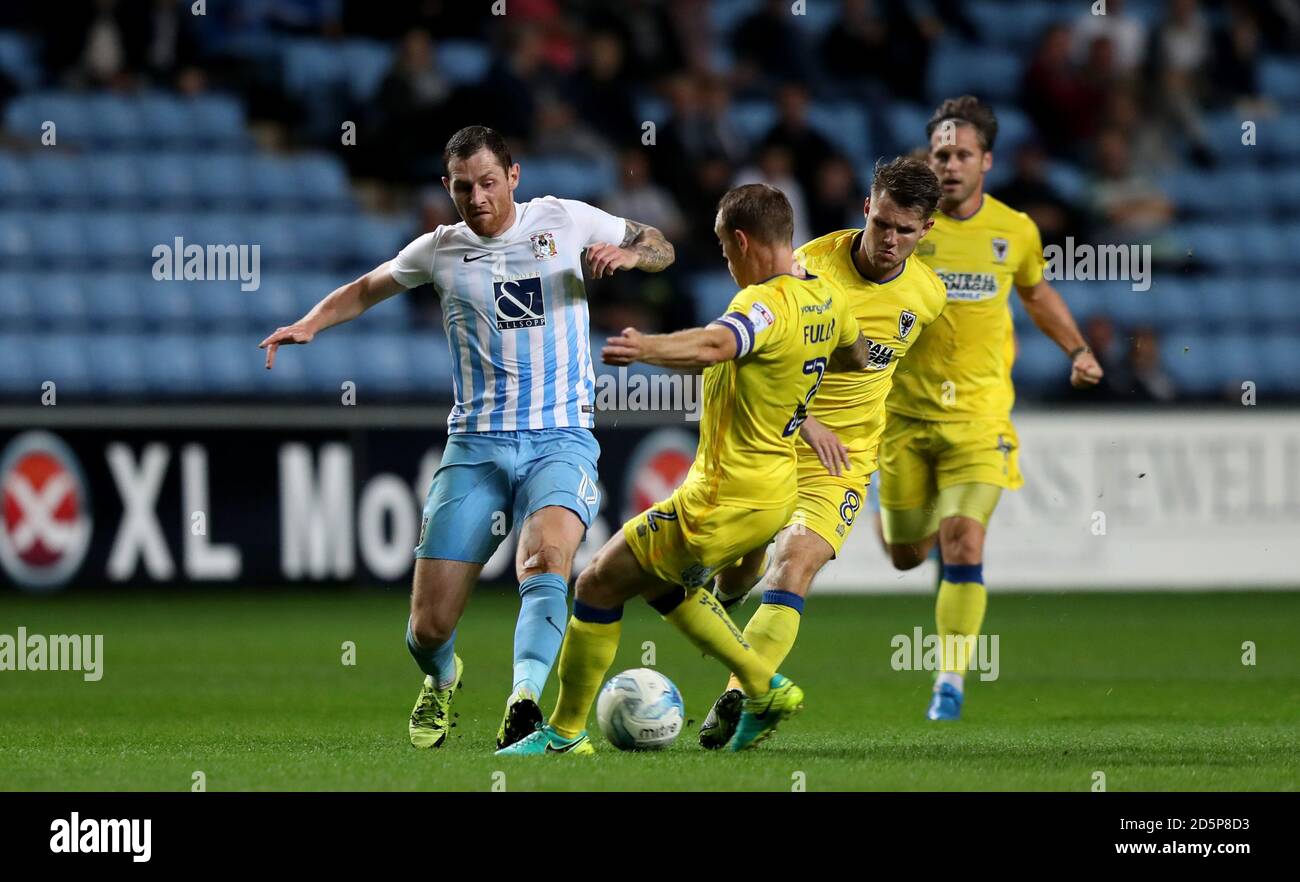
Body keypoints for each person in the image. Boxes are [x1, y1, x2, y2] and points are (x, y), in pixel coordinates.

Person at [258, 125, 675, 750]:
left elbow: (661, 244)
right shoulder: (438, 249)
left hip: (559, 436)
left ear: (513, 176)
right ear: (447, 189)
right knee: (427, 627)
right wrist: (311, 324)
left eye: (487, 182)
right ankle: (443, 678)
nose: (477, 198)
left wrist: (632, 255)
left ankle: (524, 701)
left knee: (546, 560)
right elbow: (367, 288)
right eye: (462, 187)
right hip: (476, 446)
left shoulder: (565, 219)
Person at [496, 183, 870, 755]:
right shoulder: (829, 296)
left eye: (724, 251)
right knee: (662, 585)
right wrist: (801, 390)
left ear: (742, 241)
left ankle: (565, 735)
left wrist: (645, 347)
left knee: (596, 584)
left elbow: (715, 345)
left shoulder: (759, 303)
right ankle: (760, 682)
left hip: (721, 496)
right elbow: (856, 354)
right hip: (775, 493)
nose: (726, 263)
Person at [698, 157, 949, 748]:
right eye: (882, 223)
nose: (889, 240)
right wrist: (803, 418)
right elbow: (755, 354)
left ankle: (743, 694)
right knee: (740, 568)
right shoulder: (808, 267)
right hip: (776, 438)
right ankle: (716, 609)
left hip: (847, 457)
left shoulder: (929, 297)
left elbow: (904, 375)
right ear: (867, 207)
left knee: (796, 564)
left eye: (904, 230)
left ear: (926, 231)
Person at [881, 97, 1102, 721]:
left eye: (961, 155)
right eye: (940, 154)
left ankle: (948, 681)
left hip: (980, 421)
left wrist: (1078, 348)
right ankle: (886, 516)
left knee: (964, 540)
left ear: (987, 161)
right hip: (903, 419)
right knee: (907, 554)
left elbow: (1035, 292)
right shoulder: (905, 228)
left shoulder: (1015, 230)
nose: (949, 165)